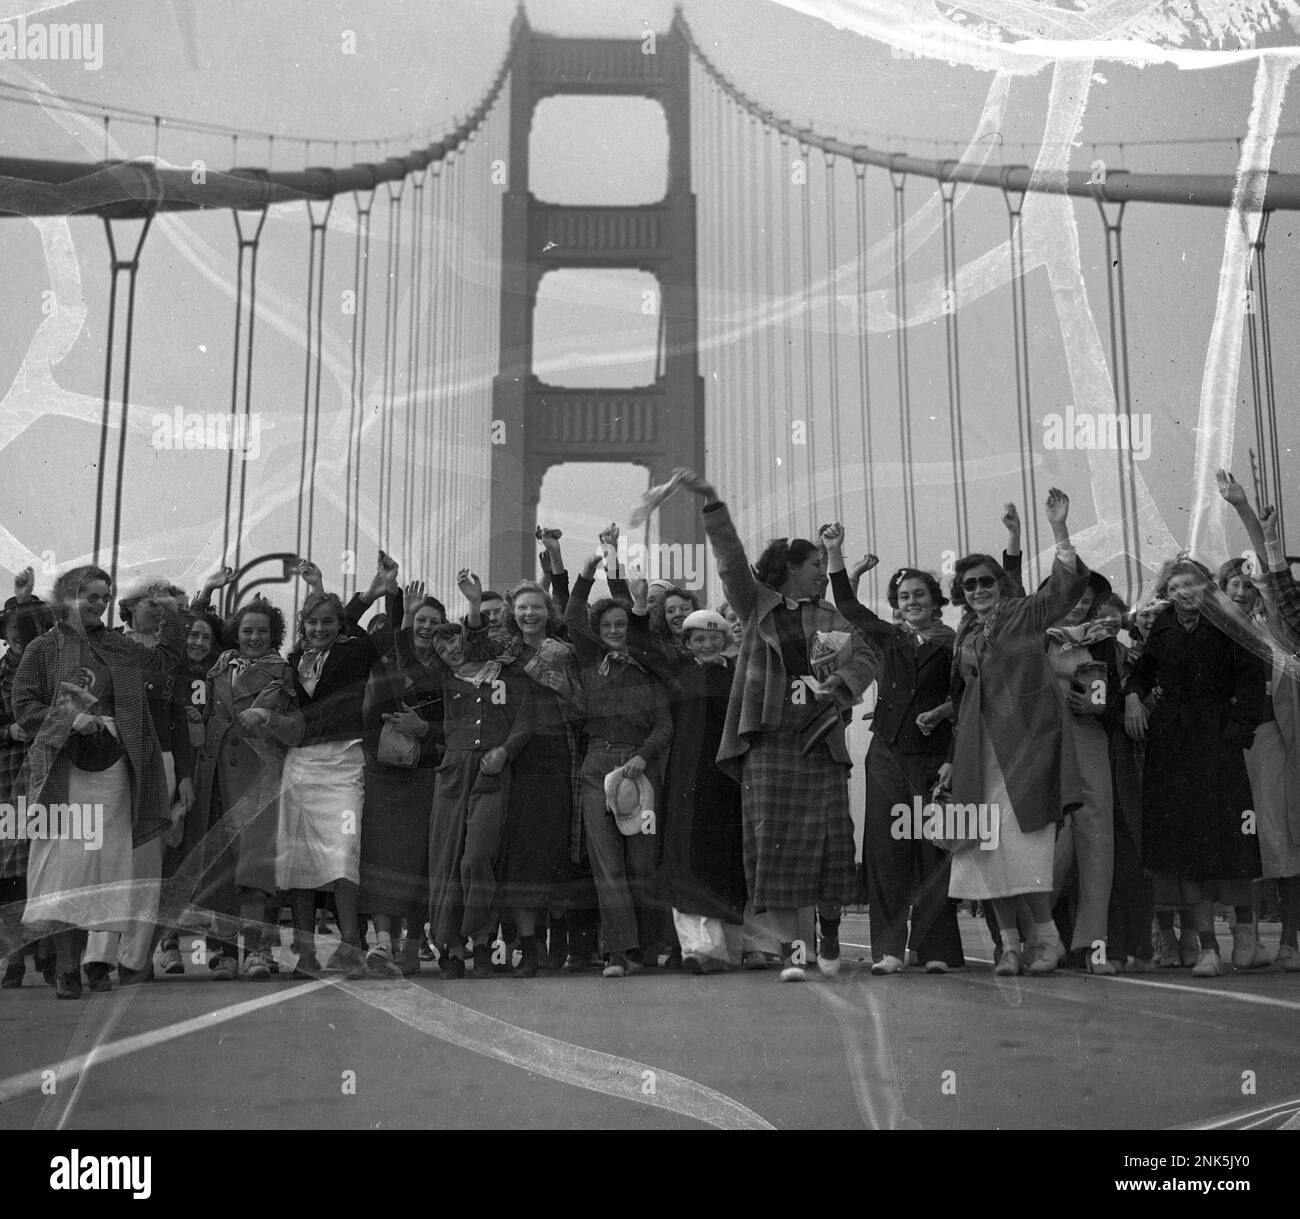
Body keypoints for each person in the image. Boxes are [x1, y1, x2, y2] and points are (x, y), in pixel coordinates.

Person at [682, 470, 878, 983]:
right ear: (791, 567)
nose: (821, 572)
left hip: (820, 738)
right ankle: (794, 951)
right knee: (776, 848)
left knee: (834, 841)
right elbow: (728, 558)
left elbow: (867, 656)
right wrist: (711, 502)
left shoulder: (833, 615)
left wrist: (837, 688)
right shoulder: (756, 605)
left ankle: (830, 929)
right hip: (769, 740)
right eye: (815, 564)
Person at [937, 489, 1091, 977]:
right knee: (981, 854)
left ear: (1000, 584)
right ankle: (1007, 947)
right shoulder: (967, 635)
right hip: (974, 757)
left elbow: (1064, 590)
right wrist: (949, 758)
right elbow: (966, 698)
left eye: (985, 581)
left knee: (1023, 853)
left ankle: (1047, 941)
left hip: (1025, 754)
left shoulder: (1024, 616)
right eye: (969, 585)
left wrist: (1058, 528)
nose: (978, 589)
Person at [13, 566, 187, 998]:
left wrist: (170, 613)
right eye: (90, 595)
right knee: (66, 870)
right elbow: (23, 706)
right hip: (61, 771)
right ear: (68, 597)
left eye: (105, 596)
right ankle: (68, 968)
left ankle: (99, 963)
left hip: (115, 770)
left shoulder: (118, 645)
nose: (99, 603)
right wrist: (73, 718)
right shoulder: (42, 648)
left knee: (109, 867)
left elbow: (166, 660)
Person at [821, 526, 963, 975]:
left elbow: (970, 695)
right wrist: (835, 552)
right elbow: (847, 605)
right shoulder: (889, 638)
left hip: (934, 756)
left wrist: (942, 713)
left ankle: (935, 948)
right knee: (885, 850)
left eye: (919, 594)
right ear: (896, 604)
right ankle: (888, 950)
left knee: (932, 850)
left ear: (935, 599)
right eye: (903, 596)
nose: (911, 601)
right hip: (885, 754)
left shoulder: (955, 642)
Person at [1123, 555, 1267, 978]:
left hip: (1218, 743)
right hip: (1173, 743)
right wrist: (1133, 696)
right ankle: (1207, 947)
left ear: (1207, 587)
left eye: (1192, 585)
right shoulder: (1163, 627)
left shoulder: (1230, 623)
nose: (1184, 594)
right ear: (1166, 593)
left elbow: (1250, 683)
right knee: (1189, 847)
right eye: (1175, 588)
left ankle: (1244, 936)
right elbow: (1143, 674)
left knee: (1233, 841)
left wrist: (1236, 734)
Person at [463, 577, 583, 977]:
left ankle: (544, 943)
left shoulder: (564, 653)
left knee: (543, 852)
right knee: (508, 852)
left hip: (551, 755)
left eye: (537, 607)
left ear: (549, 613)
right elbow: (473, 648)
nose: (529, 614)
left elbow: (582, 705)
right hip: (507, 753)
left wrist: (564, 687)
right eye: (522, 608)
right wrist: (476, 602)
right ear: (512, 614)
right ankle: (517, 945)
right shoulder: (505, 649)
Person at [565, 553, 673, 978]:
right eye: (607, 625)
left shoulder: (648, 670)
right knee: (606, 863)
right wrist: (587, 571)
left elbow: (665, 725)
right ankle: (617, 952)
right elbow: (573, 616)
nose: (613, 631)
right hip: (596, 769)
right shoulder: (591, 664)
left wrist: (642, 756)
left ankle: (648, 947)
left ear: (631, 629)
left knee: (642, 862)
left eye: (621, 625)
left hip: (640, 769)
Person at [188, 597, 301, 980]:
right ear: (235, 633)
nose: (254, 637)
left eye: (262, 631)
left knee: (255, 864)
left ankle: (257, 952)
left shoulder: (284, 672)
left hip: (259, 775)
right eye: (247, 630)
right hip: (216, 775)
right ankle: (223, 953)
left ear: (274, 636)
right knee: (221, 864)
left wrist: (267, 716)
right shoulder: (215, 671)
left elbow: (297, 726)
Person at [278, 567, 379, 979]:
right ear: (302, 626)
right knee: (300, 860)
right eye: (312, 622)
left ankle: (351, 944)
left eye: (328, 622)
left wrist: (339, 596)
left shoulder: (354, 653)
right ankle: (304, 950)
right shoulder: (291, 661)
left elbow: (367, 642)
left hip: (344, 763)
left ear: (341, 626)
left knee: (344, 853)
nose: (319, 629)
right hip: (301, 764)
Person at [425, 615, 537, 978]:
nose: (449, 652)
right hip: (453, 774)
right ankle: (456, 951)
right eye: (441, 649)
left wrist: (505, 751)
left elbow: (525, 720)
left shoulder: (507, 676)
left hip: (491, 771)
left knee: (476, 859)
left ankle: (483, 939)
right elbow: (404, 658)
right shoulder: (444, 680)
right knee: (448, 861)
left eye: (454, 643)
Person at [652, 609, 746, 973]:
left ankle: (720, 950)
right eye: (699, 639)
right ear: (688, 643)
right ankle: (697, 949)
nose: (707, 644)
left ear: (725, 639)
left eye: (713, 637)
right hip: (682, 784)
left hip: (724, 783)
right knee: (682, 861)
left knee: (719, 862)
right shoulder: (679, 678)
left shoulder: (737, 678)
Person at [359, 588, 446, 976]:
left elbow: (460, 720)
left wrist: (423, 727)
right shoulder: (388, 663)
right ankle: (380, 944)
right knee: (382, 857)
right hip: (385, 772)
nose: (426, 627)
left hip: (428, 772)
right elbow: (393, 652)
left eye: (433, 621)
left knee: (419, 863)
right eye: (420, 620)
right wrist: (404, 617)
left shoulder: (448, 668)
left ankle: (412, 946)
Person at [0, 574, 55, 988]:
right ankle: (17, 954)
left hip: (46, 769)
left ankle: (50, 953)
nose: (20, 632)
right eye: (14, 625)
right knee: (13, 868)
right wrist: (7, 732)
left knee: (49, 860)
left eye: (28, 624)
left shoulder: (49, 666)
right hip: (8, 772)